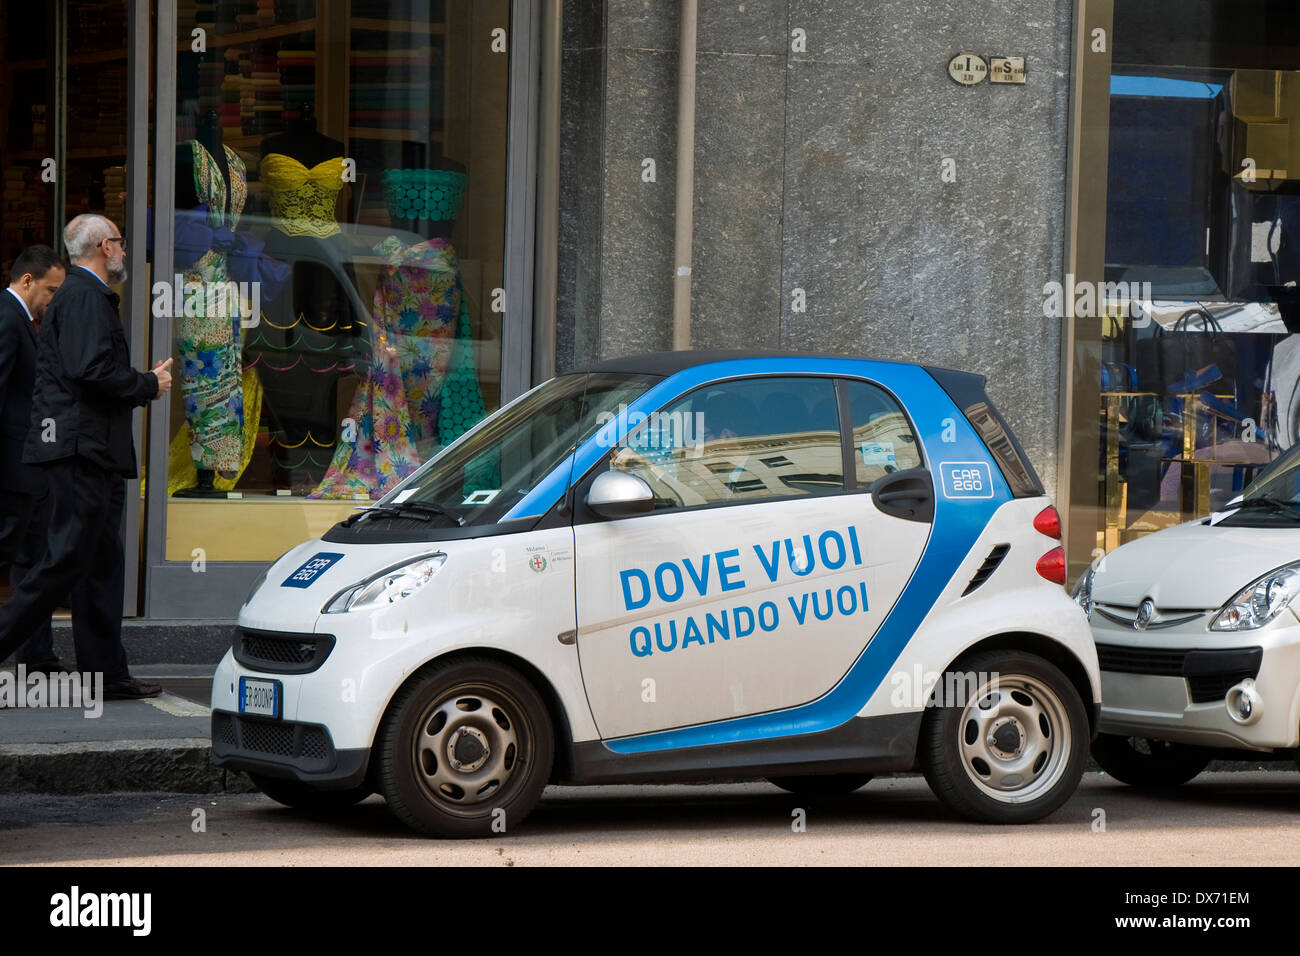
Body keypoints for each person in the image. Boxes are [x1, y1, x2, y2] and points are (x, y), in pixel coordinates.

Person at [0, 215, 174, 699]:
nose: (125, 251)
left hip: (92, 450)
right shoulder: (83, 296)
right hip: (81, 451)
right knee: (63, 562)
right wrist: (147, 383)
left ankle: (107, 674)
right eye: (120, 242)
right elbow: (90, 369)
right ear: (104, 246)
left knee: (100, 565)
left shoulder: (83, 295)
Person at [0, 245, 66, 673]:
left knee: (35, 561)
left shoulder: (21, 319)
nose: (53, 300)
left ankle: (37, 653)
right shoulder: (8, 318)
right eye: (50, 290)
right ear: (27, 281)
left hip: (28, 469)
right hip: (12, 470)